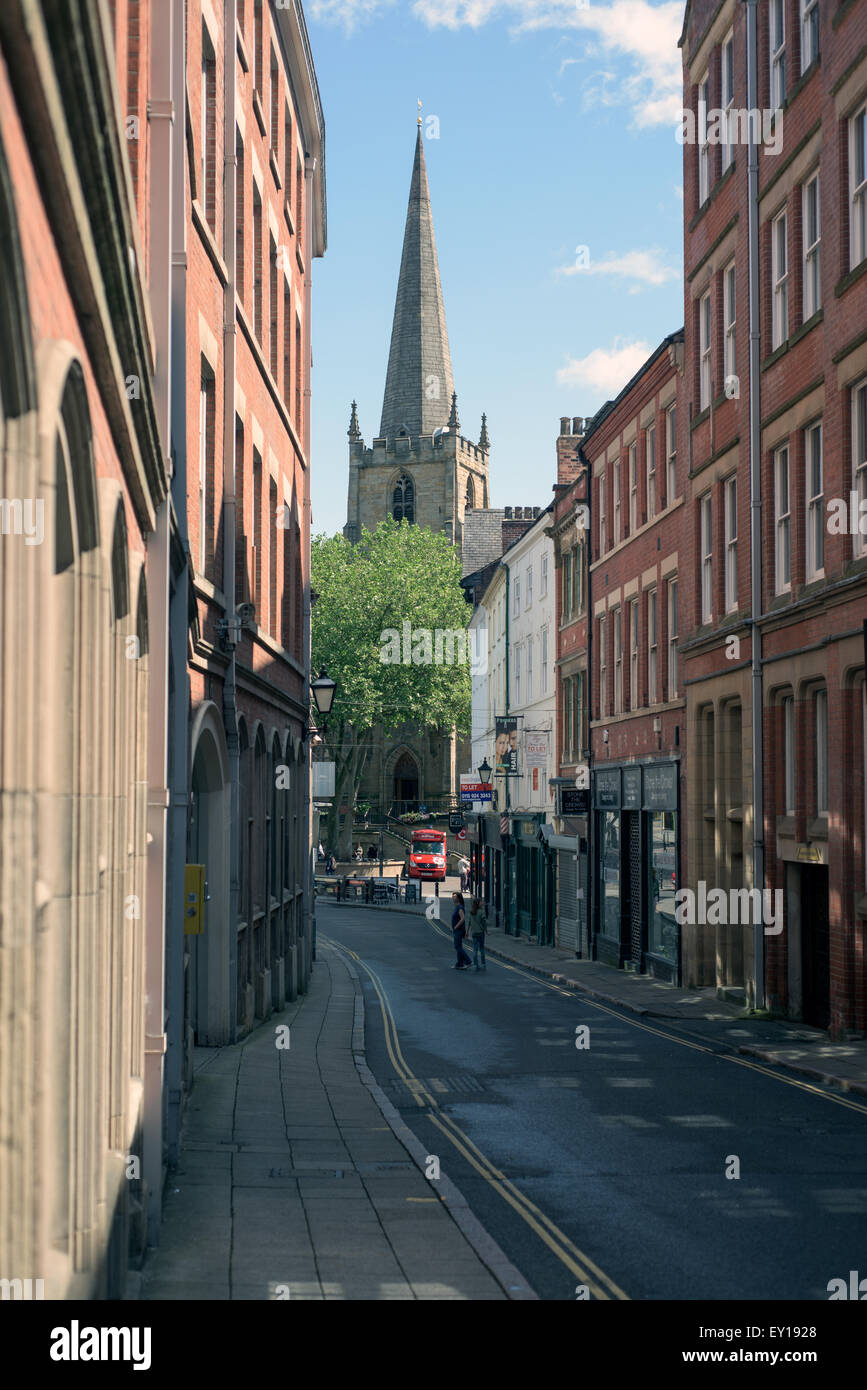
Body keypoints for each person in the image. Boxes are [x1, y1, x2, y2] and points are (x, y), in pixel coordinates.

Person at [450, 892, 472, 969]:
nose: (453, 897)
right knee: (458, 946)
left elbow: (462, 919)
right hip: (457, 930)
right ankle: (460, 964)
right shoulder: (457, 907)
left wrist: (456, 927)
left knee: (457, 947)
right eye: (452, 896)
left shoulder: (460, 907)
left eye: (455, 896)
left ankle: (468, 961)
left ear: (459, 898)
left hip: (459, 930)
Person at [467, 897, 488, 971]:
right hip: (480, 933)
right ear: (478, 904)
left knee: (475, 949)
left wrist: (467, 932)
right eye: (481, 902)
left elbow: (469, 922)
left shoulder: (471, 912)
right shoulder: (481, 912)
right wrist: (486, 930)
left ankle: (476, 965)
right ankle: (483, 964)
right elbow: (484, 922)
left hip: (474, 933)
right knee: (482, 949)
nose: (482, 903)